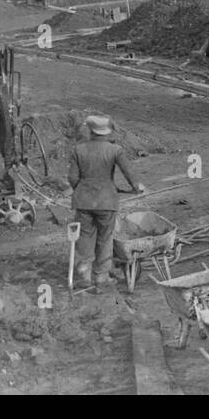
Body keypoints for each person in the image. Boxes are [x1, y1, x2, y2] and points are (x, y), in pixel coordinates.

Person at [67, 115, 144, 289]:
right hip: (107, 201)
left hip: (83, 201)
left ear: (91, 131)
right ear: (106, 133)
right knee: (105, 238)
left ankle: (84, 274)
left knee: (85, 236)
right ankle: (101, 276)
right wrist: (136, 186)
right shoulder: (115, 150)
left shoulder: (78, 150)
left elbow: (72, 178)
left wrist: (82, 189)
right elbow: (128, 171)